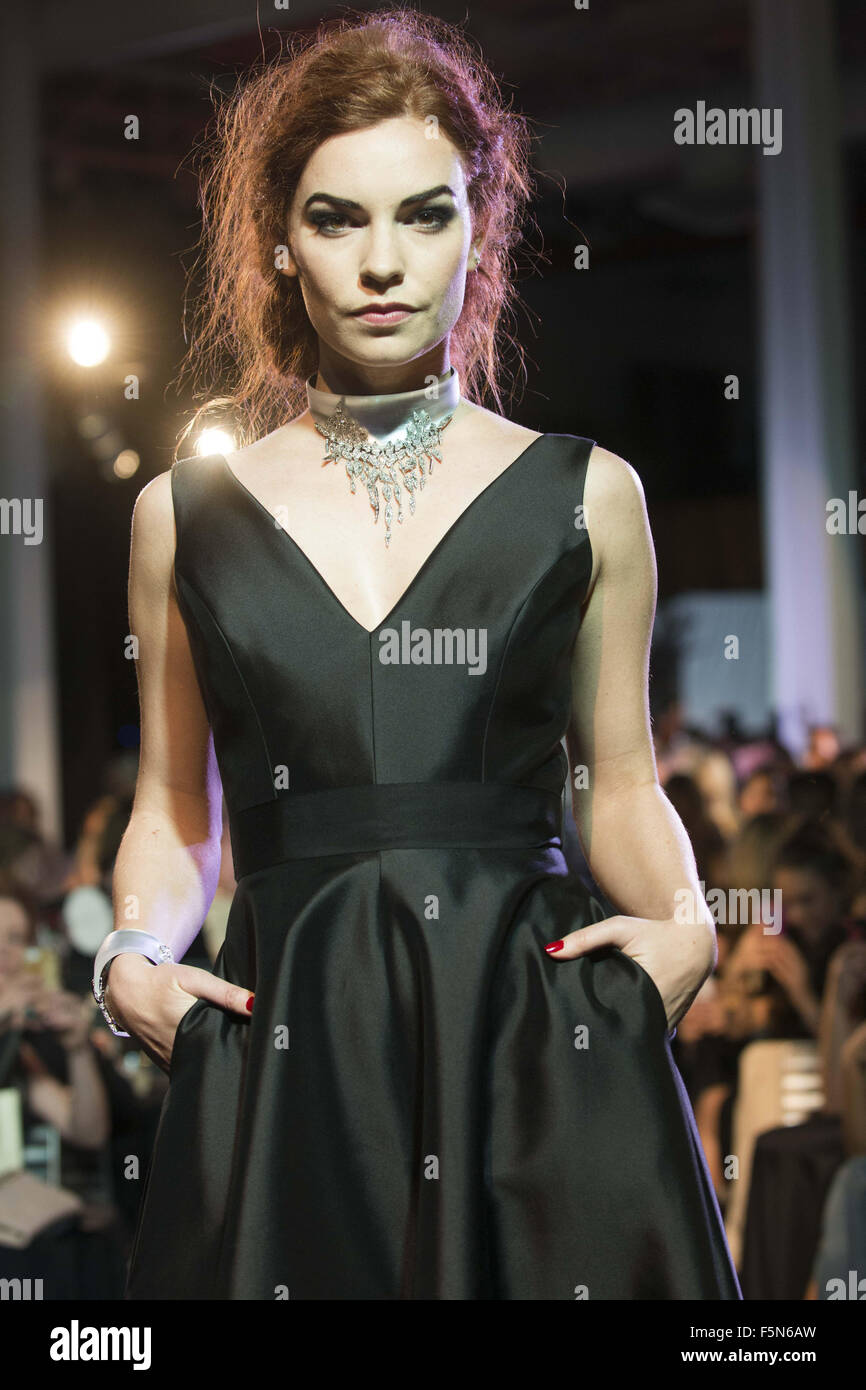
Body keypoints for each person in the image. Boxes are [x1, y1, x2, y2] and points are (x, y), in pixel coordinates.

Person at [98, 8, 741, 1300]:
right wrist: (127, 963)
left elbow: (618, 783)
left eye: (423, 214)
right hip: (287, 1061)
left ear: (479, 227)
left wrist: (689, 927)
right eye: (337, 219)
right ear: (280, 242)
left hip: (528, 1051)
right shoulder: (181, 520)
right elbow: (177, 810)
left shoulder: (586, 495)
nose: (382, 261)